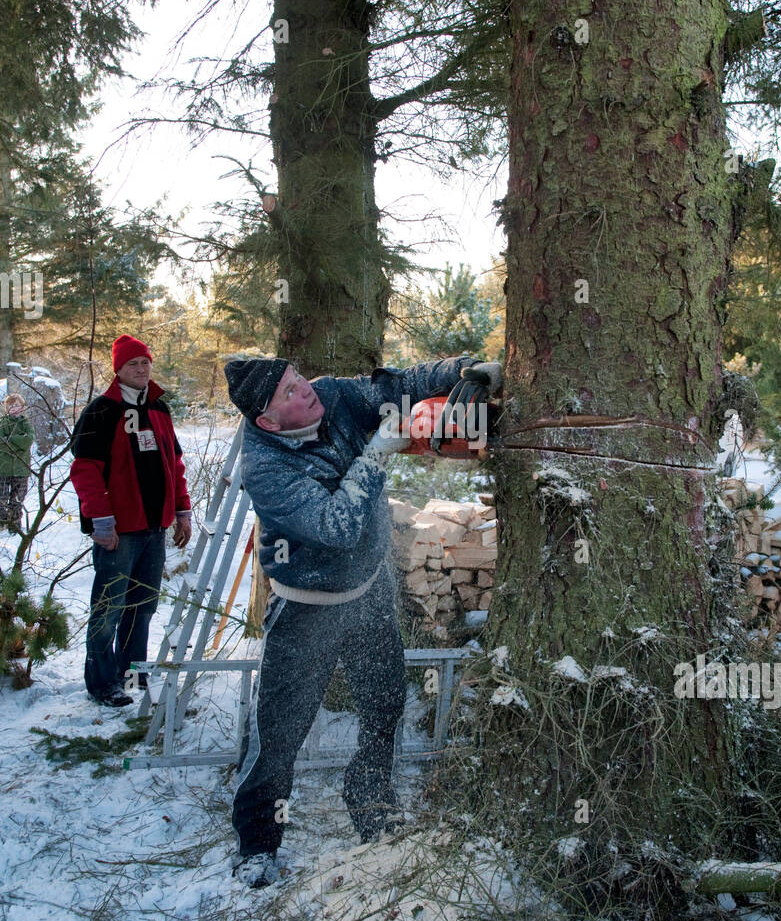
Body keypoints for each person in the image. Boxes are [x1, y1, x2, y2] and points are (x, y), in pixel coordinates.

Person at [223, 352, 503, 889]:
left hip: (370, 592)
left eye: (297, 378)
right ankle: (257, 840)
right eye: (288, 393)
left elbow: (400, 384)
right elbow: (338, 526)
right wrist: (378, 453)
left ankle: (370, 797)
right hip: (308, 604)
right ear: (266, 421)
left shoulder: (331, 395)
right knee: (280, 731)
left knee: (384, 704)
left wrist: (467, 370)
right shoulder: (266, 468)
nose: (304, 391)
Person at [70, 336, 193, 708]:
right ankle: (102, 681)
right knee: (109, 607)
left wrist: (182, 510)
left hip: (155, 531)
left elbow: (175, 465)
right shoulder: (101, 412)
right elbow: (85, 471)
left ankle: (133, 673)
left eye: (145, 363)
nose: (142, 370)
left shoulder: (160, 410)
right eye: (133, 364)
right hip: (118, 534)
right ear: (118, 370)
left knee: (143, 606)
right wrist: (100, 520)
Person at [0, 393, 34, 532]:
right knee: (1, 497)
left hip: (21, 468)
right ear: (6, 408)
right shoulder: (2, 423)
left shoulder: (26, 424)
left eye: (16, 406)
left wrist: (11, 439)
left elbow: (28, 441)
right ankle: (2, 523)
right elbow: (1, 442)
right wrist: (17, 444)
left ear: (22, 407)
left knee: (17, 498)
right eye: (10, 406)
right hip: (3, 467)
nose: (14, 408)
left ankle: (14, 525)